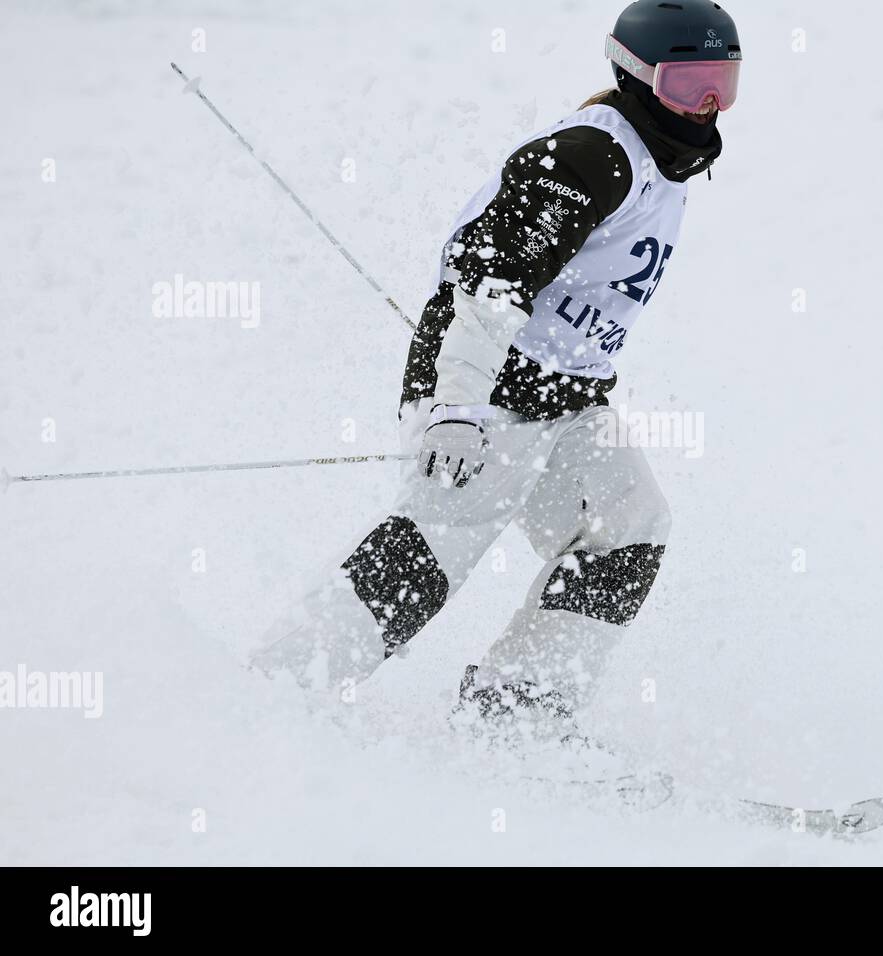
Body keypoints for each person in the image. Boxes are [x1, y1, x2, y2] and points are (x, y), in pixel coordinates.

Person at [254, 0, 742, 764]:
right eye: (690, 86)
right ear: (639, 76)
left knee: (629, 528)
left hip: (569, 394)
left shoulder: (659, 163)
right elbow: (489, 282)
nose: (708, 106)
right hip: (484, 389)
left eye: (723, 83)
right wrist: (454, 407)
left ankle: (519, 713)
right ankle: (275, 691)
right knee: (434, 550)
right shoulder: (590, 157)